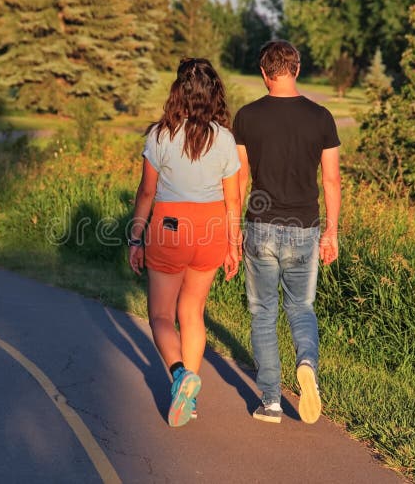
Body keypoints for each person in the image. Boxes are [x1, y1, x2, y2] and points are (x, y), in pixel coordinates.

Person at [128, 58, 242, 428]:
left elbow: (147, 192)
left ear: (178, 92)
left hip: (170, 226)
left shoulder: (160, 135)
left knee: (161, 314)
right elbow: (234, 199)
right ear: (214, 95)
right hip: (211, 227)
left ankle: (179, 375)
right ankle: (188, 402)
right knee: (192, 312)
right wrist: (233, 244)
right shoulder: (225, 139)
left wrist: (135, 236)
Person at [233, 40, 341, 425]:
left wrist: (233, 230)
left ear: (265, 73)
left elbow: (241, 177)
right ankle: (307, 363)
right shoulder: (321, 117)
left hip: (260, 227)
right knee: (301, 308)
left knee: (263, 313)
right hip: (305, 228)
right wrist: (332, 232)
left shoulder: (246, 117)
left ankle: (271, 402)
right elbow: (331, 179)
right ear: (296, 69)